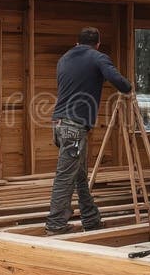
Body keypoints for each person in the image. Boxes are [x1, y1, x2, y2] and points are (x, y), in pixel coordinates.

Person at [45, 27, 132, 235]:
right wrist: (129, 89)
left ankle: (90, 219)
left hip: (59, 125)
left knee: (79, 175)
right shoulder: (97, 57)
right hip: (74, 127)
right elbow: (117, 80)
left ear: (78, 42)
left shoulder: (65, 58)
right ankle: (56, 224)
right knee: (66, 176)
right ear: (98, 44)